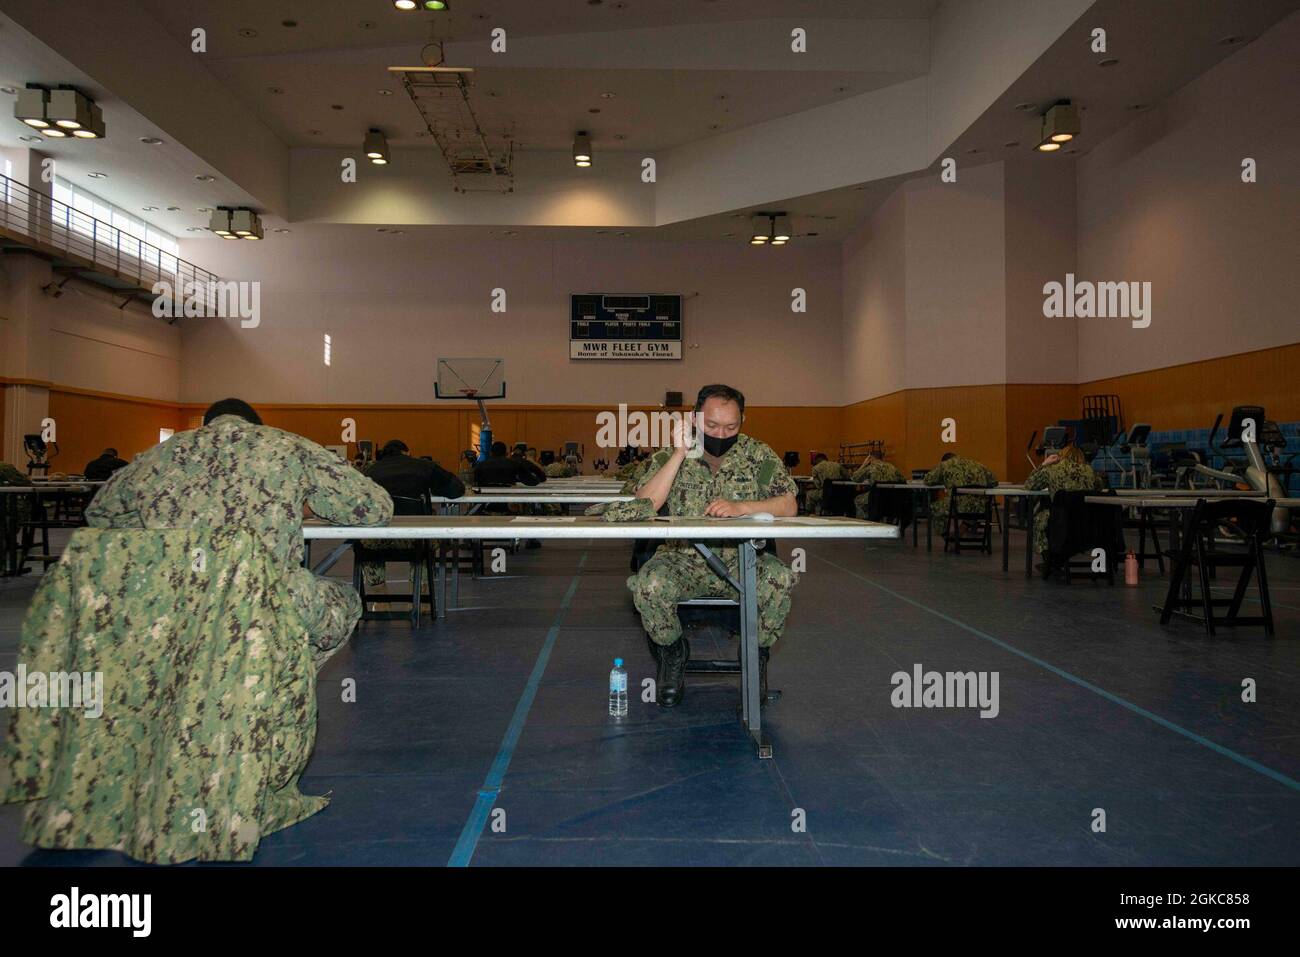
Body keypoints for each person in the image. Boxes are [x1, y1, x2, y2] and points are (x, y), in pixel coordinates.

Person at [84, 398, 393, 670]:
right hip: (265, 599)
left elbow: (99, 514)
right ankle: (275, 683)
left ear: (205, 426)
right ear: (256, 425)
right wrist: (307, 505)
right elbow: (375, 507)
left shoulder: (159, 455)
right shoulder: (289, 446)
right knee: (347, 602)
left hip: (175, 602)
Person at [600, 384, 798, 709]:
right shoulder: (672, 452)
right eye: (712, 425)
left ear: (743, 420)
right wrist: (679, 453)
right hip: (682, 559)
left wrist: (744, 507)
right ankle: (672, 654)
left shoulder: (758, 454)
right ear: (693, 418)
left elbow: (789, 504)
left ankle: (755, 656)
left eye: (731, 427)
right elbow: (644, 503)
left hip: (741, 561)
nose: (721, 433)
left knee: (779, 579)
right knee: (649, 585)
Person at [358, 439, 465, 590]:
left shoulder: (368, 471)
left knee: (368, 538)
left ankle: (378, 595)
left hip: (376, 540)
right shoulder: (424, 466)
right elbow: (457, 490)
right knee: (427, 534)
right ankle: (419, 593)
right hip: (416, 541)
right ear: (408, 453)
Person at [1023, 444, 1105, 561]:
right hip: (1086, 521)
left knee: (1038, 518)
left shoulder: (1052, 470)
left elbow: (1029, 485)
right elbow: (1099, 487)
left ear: (1061, 456)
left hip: (1060, 519)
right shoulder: (1089, 470)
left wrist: (1044, 464)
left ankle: (1048, 557)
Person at [924, 451, 997, 534]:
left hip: (959, 506)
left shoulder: (945, 465)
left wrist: (943, 479)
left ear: (945, 461)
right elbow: (994, 482)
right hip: (982, 507)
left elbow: (927, 480)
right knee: (970, 503)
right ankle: (964, 527)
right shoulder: (977, 464)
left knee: (935, 508)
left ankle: (947, 537)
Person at [850, 454, 905, 520]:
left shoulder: (871, 467)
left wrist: (863, 465)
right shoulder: (892, 466)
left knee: (858, 500)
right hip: (893, 498)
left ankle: (866, 522)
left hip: (877, 497)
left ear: (870, 459)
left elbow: (854, 478)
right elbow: (903, 480)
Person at [474, 441, 546, 486]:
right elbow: (531, 481)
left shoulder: (480, 465)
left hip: (484, 500)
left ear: (490, 453)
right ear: (506, 453)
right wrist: (536, 480)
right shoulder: (515, 464)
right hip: (509, 500)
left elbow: (474, 481)